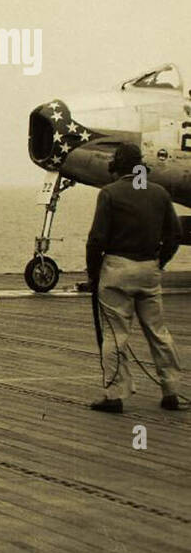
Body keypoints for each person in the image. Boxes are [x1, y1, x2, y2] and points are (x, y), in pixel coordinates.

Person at [85, 144, 185, 412]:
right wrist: (159, 262)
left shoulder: (109, 193)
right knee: (158, 331)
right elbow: (175, 235)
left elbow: (96, 239)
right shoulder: (159, 193)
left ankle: (115, 395)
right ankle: (171, 390)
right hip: (148, 268)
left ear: (117, 165)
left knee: (116, 334)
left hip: (117, 268)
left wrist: (94, 275)